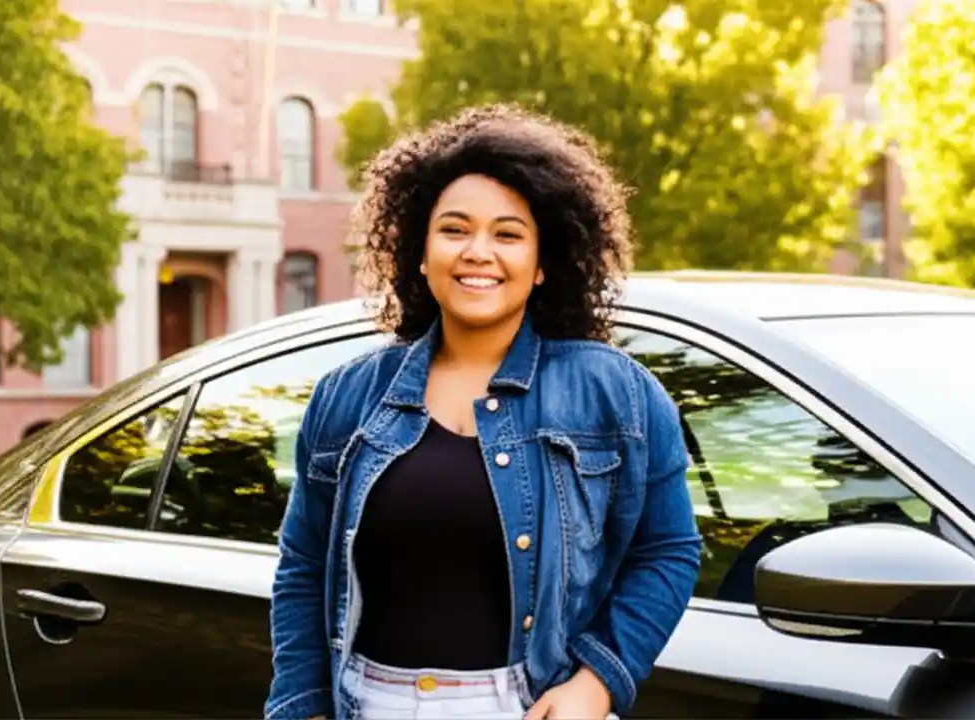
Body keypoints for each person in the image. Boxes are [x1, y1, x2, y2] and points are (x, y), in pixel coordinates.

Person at [264, 104, 702, 720]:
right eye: (454, 229)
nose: (478, 251)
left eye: (507, 234)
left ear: (543, 262)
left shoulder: (615, 393)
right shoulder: (347, 397)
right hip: (367, 702)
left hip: (526, 706)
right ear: (419, 252)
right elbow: (304, 567)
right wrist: (301, 704)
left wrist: (600, 680)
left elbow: (669, 549)